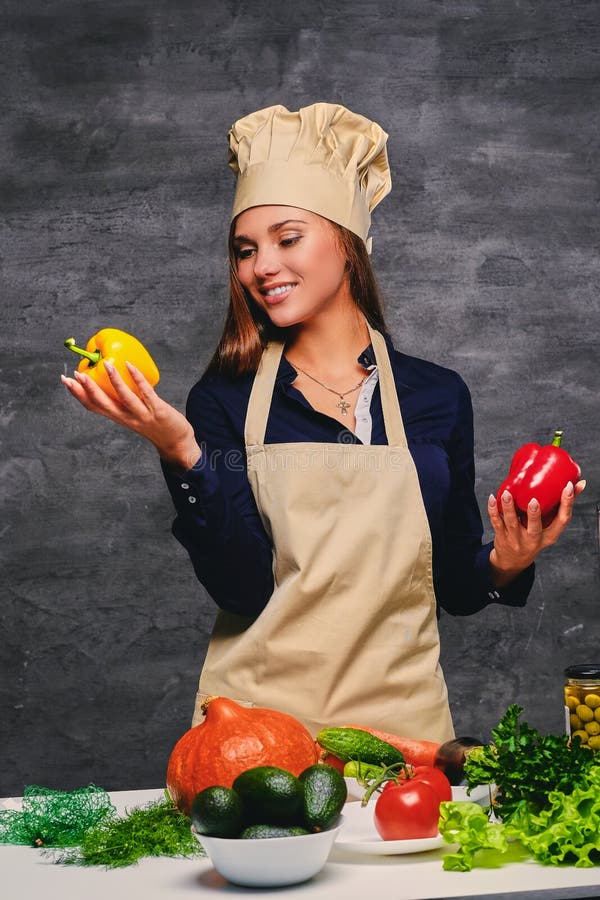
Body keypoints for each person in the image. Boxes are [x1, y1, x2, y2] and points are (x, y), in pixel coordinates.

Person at [61, 102, 584, 742]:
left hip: (407, 743)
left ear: (348, 241)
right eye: (246, 250)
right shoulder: (223, 401)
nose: (262, 267)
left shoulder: (437, 396)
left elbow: (452, 585)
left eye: (288, 238)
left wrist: (506, 561)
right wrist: (184, 454)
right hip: (259, 741)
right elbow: (243, 589)